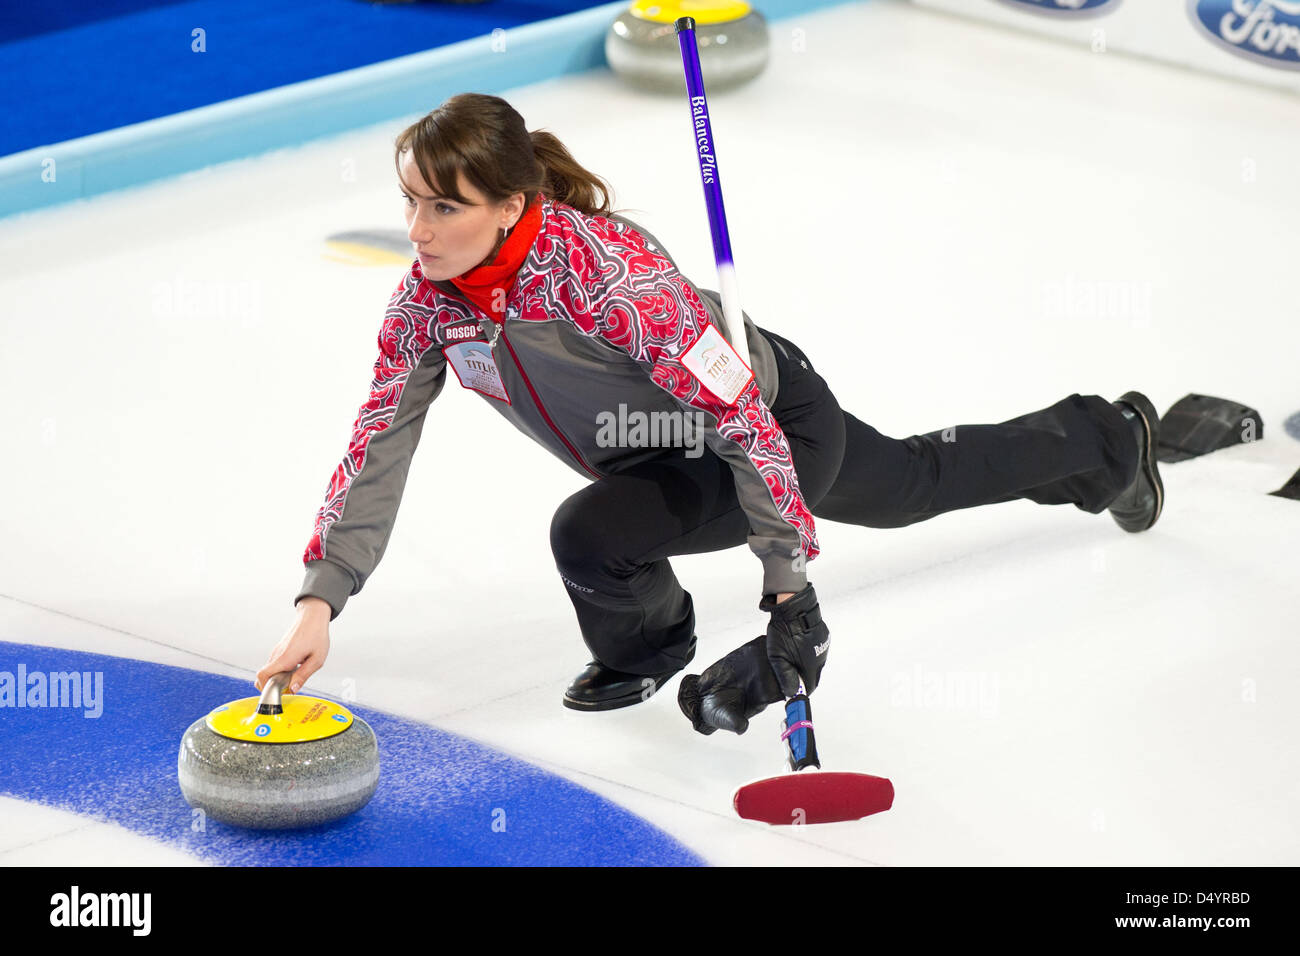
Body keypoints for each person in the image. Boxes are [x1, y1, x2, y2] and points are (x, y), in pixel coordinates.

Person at [256, 92, 1163, 736]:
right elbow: (378, 442)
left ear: (510, 206)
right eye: (409, 201)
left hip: (769, 422)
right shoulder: (430, 304)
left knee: (907, 487)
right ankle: (652, 646)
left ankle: (1105, 437)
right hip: (653, 448)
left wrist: (786, 580)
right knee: (622, 532)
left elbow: (742, 425)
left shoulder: (610, 281)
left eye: (443, 207)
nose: (417, 230)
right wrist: (320, 597)